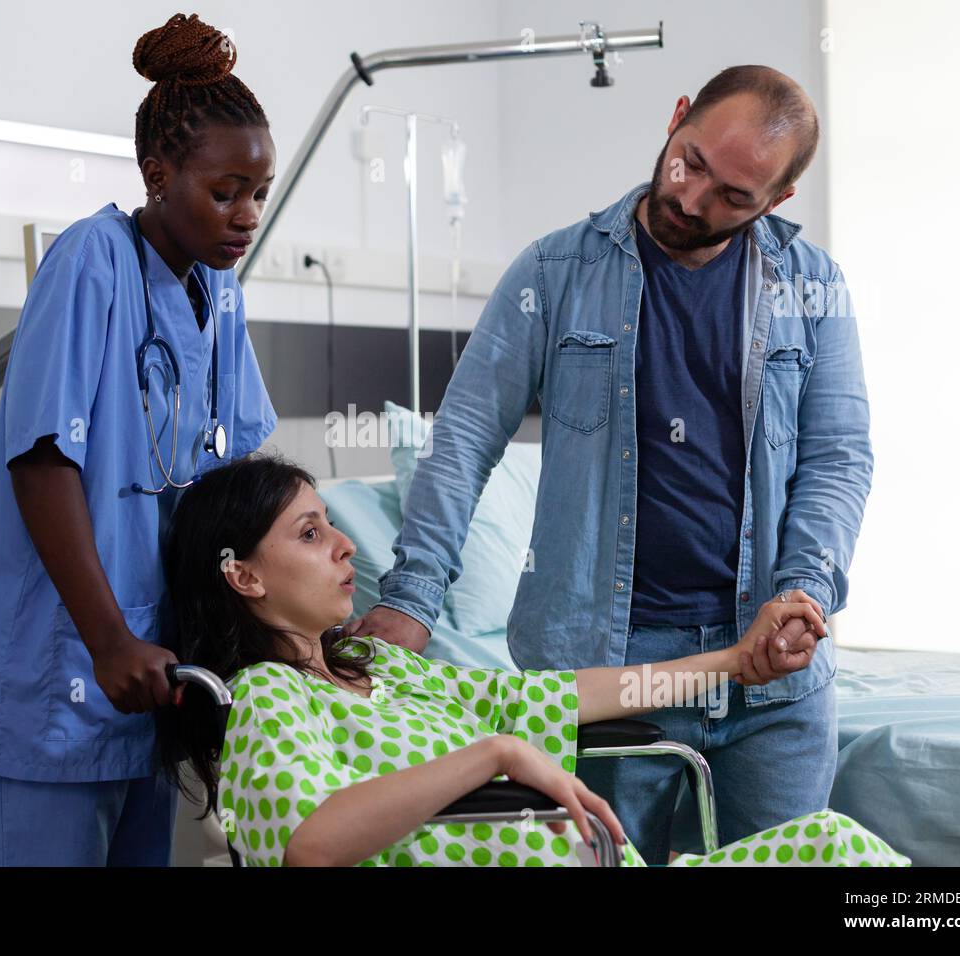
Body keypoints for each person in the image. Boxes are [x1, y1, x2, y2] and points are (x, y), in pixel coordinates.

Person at [346, 65, 872, 865]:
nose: (693, 200)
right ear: (676, 114)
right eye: (689, 161)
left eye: (734, 196)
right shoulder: (554, 274)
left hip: (771, 686)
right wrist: (414, 597)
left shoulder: (813, 287)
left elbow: (837, 457)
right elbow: (461, 439)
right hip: (608, 673)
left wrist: (804, 592)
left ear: (778, 201)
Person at [157, 454, 908, 867]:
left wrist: (733, 665)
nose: (347, 544)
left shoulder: (384, 669)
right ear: (244, 575)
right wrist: (494, 754)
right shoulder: (266, 699)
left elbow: (569, 695)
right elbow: (310, 846)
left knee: (844, 849)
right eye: (311, 534)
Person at [0, 13, 278, 866]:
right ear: (158, 175)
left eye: (259, 193)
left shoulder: (217, 292)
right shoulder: (90, 260)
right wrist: (108, 638)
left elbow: (233, 481)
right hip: (53, 679)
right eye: (225, 191)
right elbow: (43, 461)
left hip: (145, 696)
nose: (246, 215)